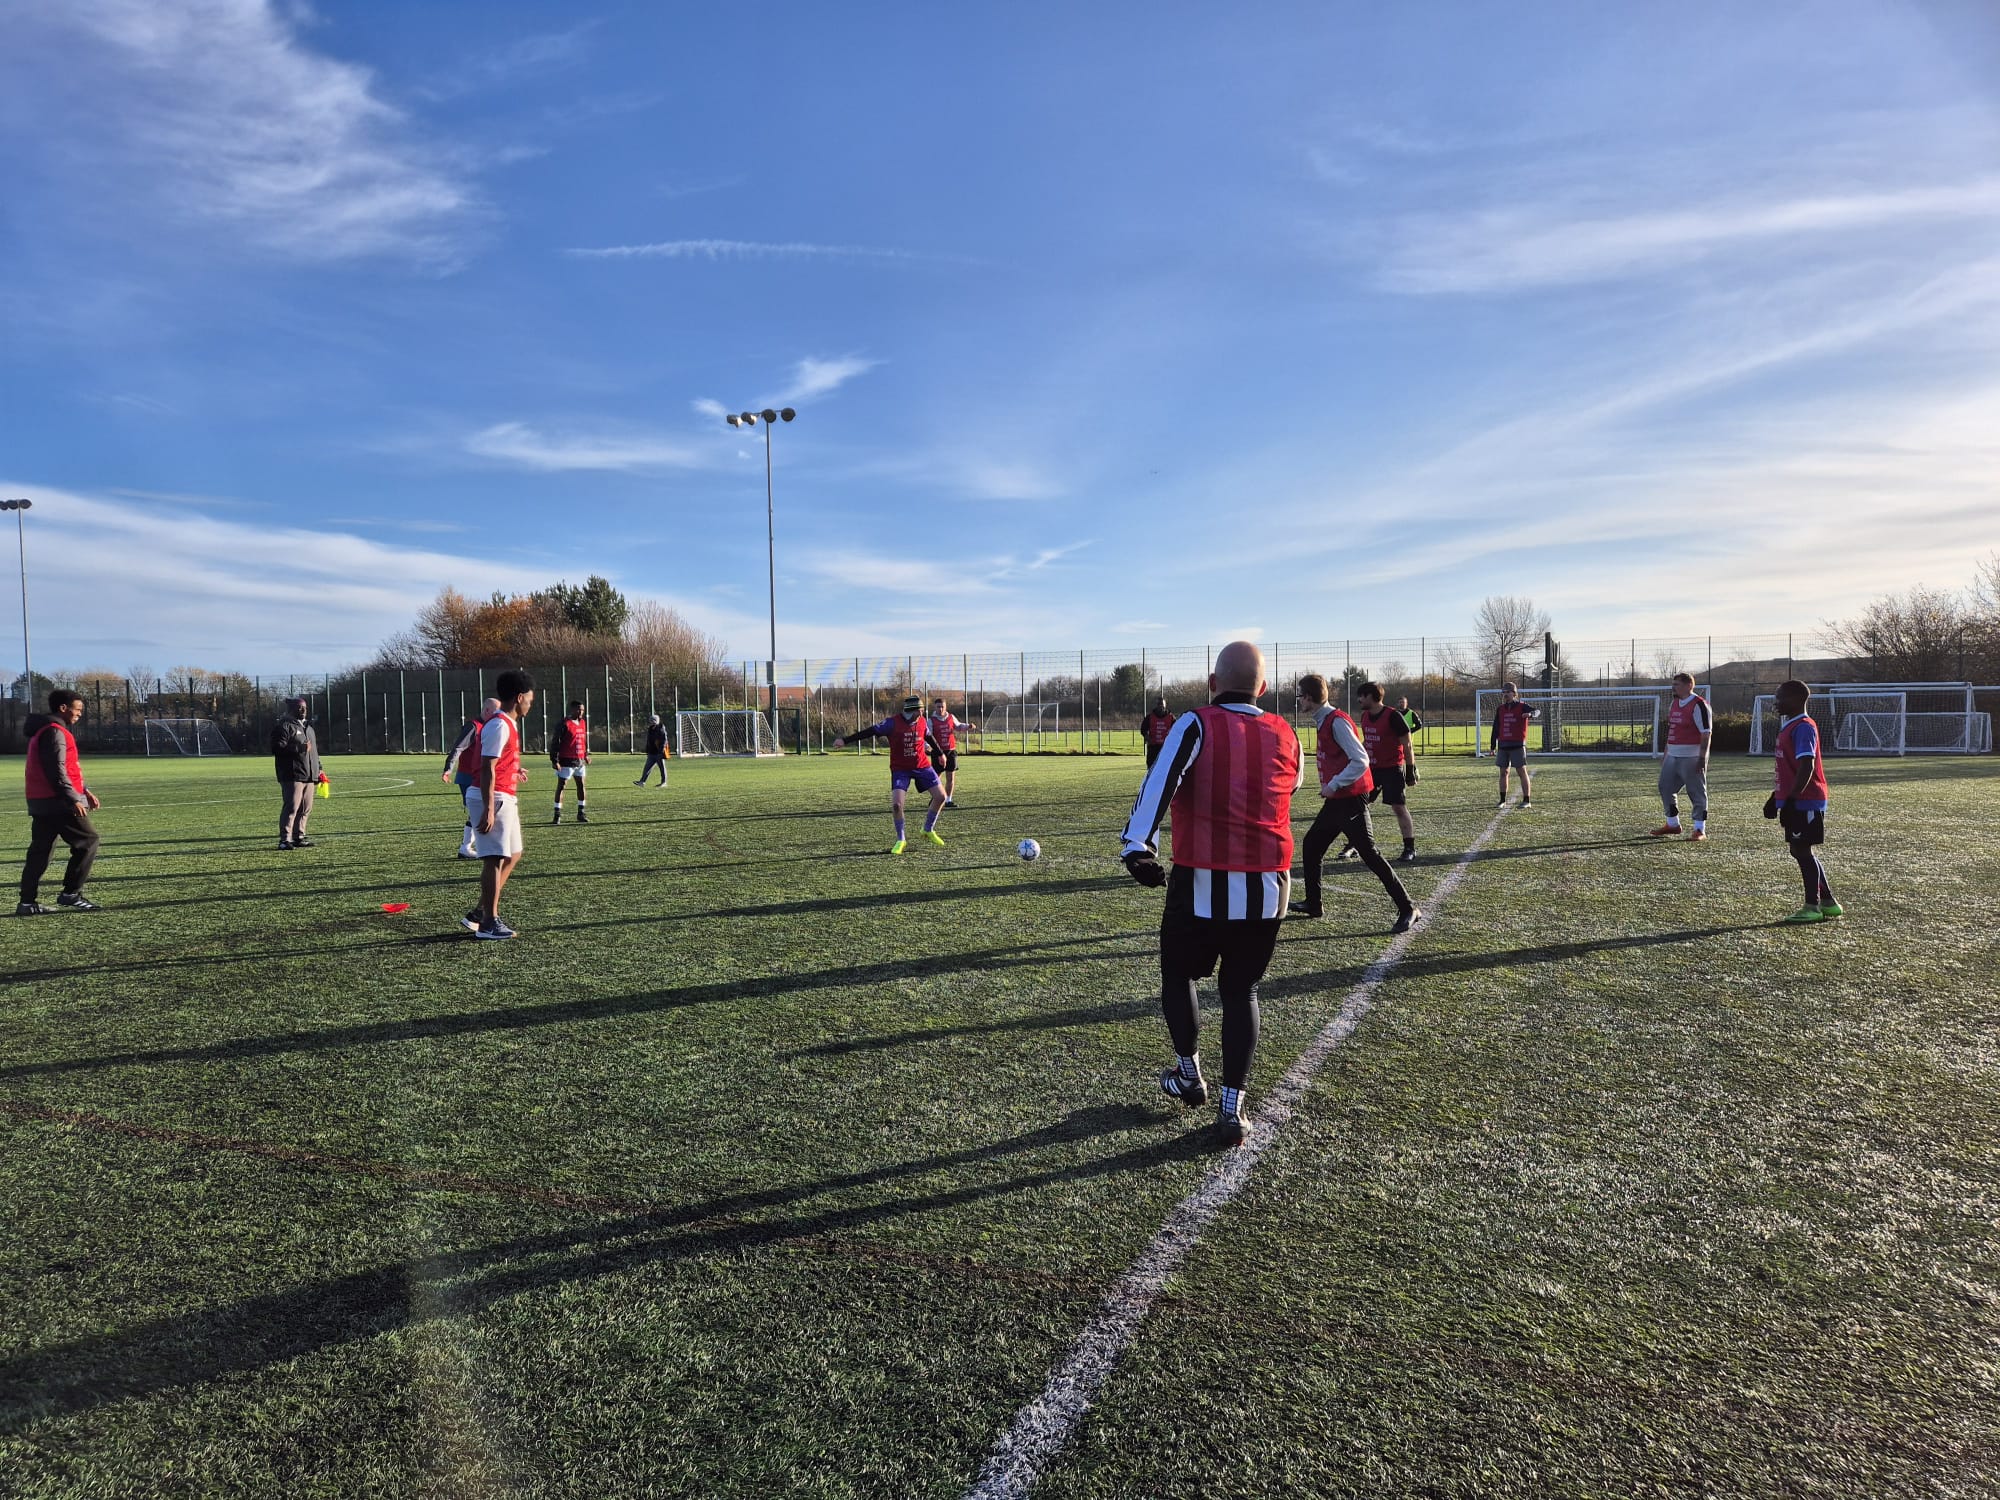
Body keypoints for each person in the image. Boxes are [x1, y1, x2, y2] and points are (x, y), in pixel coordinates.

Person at [1120, 641, 1299, 1147]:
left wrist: (1138, 847)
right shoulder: (1286, 732)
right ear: (1263, 688)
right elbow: (1292, 786)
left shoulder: (1195, 722)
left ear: (1212, 682)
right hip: (1270, 884)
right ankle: (1232, 1108)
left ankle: (1188, 1073)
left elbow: (1161, 780)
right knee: (1242, 990)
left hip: (1201, 879)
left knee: (1179, 974)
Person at [1291, 675, 1420, 933]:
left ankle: (1408, 908)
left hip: (1350, 799)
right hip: (1339, 800)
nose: (1298, 702)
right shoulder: (1325, 720)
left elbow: (1360, 760)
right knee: (1312, 845)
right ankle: (1314, 903)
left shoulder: (1335, 721)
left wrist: (1334, 784)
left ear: (1308, 697)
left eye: (1300, 696)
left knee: (1370, 855)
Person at [1763, 680, 1843, 924]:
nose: (1776, 703)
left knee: (1801, 849)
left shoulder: (1804, 726)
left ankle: (1812, 906)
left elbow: (1807, 765)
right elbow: (1790, 768)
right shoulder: (1791, 726)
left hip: (1805, 800)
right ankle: (1828, 902)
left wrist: (1791, 799)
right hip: (1796, 799)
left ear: (1797, 699)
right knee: (1799, 850)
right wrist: (1774, 797)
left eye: (1780, 697)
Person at [463, 670, 535, 939]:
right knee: (494, 858)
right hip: (492, 797)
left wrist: (514, 771)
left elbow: (498, 763)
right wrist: (489, 807)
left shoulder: (507, 724)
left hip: (503, 794)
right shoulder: (499, 724)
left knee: (514, 853)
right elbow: (486, 767)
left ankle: (481, 912)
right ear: (519, 698)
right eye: (529, 699)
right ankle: (489, 923)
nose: (530, 703)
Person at [18, 689, 103, 916]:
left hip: (42, 801)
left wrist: (84, 791)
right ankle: (71, 894)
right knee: (88, 841)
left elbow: (65, 769)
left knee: (40, 851)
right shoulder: (55, 732)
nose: (79, 714)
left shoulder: (44, 730)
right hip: (57, 802)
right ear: (63, 708)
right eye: (78, 709)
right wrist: (73, 798)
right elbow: (57, 770)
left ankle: (27, 903)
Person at [834, 695, 948, 853]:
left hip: (922, 766)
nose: (922, 714)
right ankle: (901, 839)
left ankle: (927, 829)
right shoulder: (892, 723)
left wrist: (940, 753)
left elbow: (929, 736)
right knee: (897, 805)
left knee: (941, 797)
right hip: (900, 769)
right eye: (919, 710)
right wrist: (845, 741)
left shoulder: (922, 722)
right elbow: (871, 731)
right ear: (911, 711)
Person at [1354, 682, 1419, 863]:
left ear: (1371, 697)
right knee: (1360, 805)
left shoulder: (1393, 716)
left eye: (1362, 696)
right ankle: (1355, 844)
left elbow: (1407, 744)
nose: (1359, 699)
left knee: (1398, 807)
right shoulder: (1365, 716)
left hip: (1392, 769)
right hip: (1372, 769)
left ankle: (1409, 848)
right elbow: (1368, 741)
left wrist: (1410, 769)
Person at [1651, 671, 1712, 841]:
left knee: (1696, 792)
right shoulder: (1675, 703)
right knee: (1665, 787)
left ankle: (1699, 829)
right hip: (1673, 755)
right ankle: (1672, 824)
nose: (1673, 687)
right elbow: (1673, 731)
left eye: (1677, 684)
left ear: (1689, 685)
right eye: (1673, 684)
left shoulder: (1699, 704)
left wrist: (1701, 758)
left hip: (1692, 756)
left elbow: (1706, 733)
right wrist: (1666, 753)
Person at [444, 696, 502, 857]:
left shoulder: (491, 726)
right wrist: (448, 768)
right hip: (468, 777)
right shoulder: (473, 726)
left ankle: (468, 847)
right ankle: (468, 847)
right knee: (480, 810)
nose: (499, 715)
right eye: (496, 712)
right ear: (487, 711)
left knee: (487, 809)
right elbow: (458, 748)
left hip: (481, 776)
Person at [270, 697, 324, 850]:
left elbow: (314, 752)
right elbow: (276, 748)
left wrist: (319, 768)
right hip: (292, 774)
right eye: (300, 707)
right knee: (292, 807)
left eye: (304, 707)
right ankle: (284, 840)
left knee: (306, 808)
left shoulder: (308, 727)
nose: (303, 710)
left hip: (309, 774)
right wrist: (299, 749)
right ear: (291, 709)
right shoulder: (284, 726)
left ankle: (298, 836)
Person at [1491, 680, 1539, 807]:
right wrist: (1492, 746)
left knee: (1521, 771)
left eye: (1508, 692)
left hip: (1517, 745)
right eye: (1503, 692)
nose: (1505, 694)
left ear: (1514, 693)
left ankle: (1527, 801)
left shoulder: (1522, 706)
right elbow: (1496, 727)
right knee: (1503, 772)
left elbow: (1537, 711)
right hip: (1503, 745)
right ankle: (1502, 800)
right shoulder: (1500, 709)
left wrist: (1530, 714)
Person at [928, 697, 976, 806]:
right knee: (936, 777)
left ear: (945, 707)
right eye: (938, 707)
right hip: (938, 753)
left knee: (950, 777)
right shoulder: (931, 721)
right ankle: (936, 797)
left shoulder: (951, 717)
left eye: (942, 707)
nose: (940, 709)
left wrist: (968, 726)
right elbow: (928, 735)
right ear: (935, 707)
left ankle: (948, 800)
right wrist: (927, 746)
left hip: (950, 751)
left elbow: (958, 726)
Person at [550, 700, 590, 824]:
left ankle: (580, 813)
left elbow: (583, 740)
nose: (581, 712)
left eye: (582, 710)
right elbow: (555, 742)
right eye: (579, 710)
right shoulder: (564, 723)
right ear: (572, 710)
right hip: (566, 761)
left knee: (581, 785)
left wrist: (586, 754)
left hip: (580, 761)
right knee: (562, 786)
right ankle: (557, 815)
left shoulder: (583, 722)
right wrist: (554, 760)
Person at [635, 714, 670, 787]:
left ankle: (664, 782)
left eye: (652, 721)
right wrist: (648, 750)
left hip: (658, 752)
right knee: (647, 768)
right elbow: (649, 741)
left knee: (662, 768)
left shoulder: (661, 728)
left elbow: (664, 740)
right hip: (651, 752)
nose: (650, 722)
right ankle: (642, 782)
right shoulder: (651, 729)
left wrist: (661, 750)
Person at [1140, 696, 1175, 768]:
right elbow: (1143, 729)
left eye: (1162, 704)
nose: (1160, 706)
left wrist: (1172, 741)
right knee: (1151, 768)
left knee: (1165, 768)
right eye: (1159, 704)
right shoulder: (1149, 717)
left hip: (1166, 748)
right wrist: (1147, 737)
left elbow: (1177, 730)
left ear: (1165, 705)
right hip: (1153, 748)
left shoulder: (1171, 718)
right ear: (1156, 705)